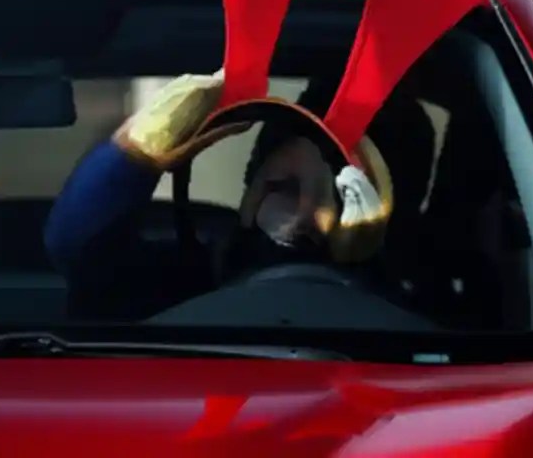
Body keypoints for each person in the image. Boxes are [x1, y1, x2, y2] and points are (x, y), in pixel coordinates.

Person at [44, 71, 436, 321]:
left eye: (335, 196)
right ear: (251, 180)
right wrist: (133, 155)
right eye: (283, 188)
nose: (299, 215)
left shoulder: (424, 319)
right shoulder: (179, 281)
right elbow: (80, 253)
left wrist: (363, 275)